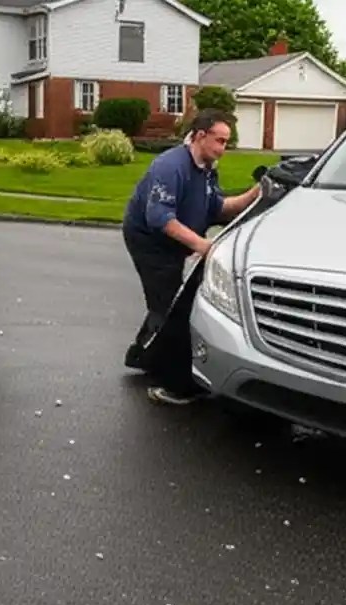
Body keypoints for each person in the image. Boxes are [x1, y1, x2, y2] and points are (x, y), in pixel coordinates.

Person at [121, 108, 261, 405]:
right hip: (150, 243)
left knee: (168, 301)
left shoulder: (207, 168)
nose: (224, 148)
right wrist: (204, 246)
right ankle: (176, 384)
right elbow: (159, 217)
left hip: (175, 243)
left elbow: (218, 208)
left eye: (226, 141)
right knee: (173, 307)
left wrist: (257, 193)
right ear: (200, 136)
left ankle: (143, 356)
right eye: (220, 141)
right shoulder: (170, 166)